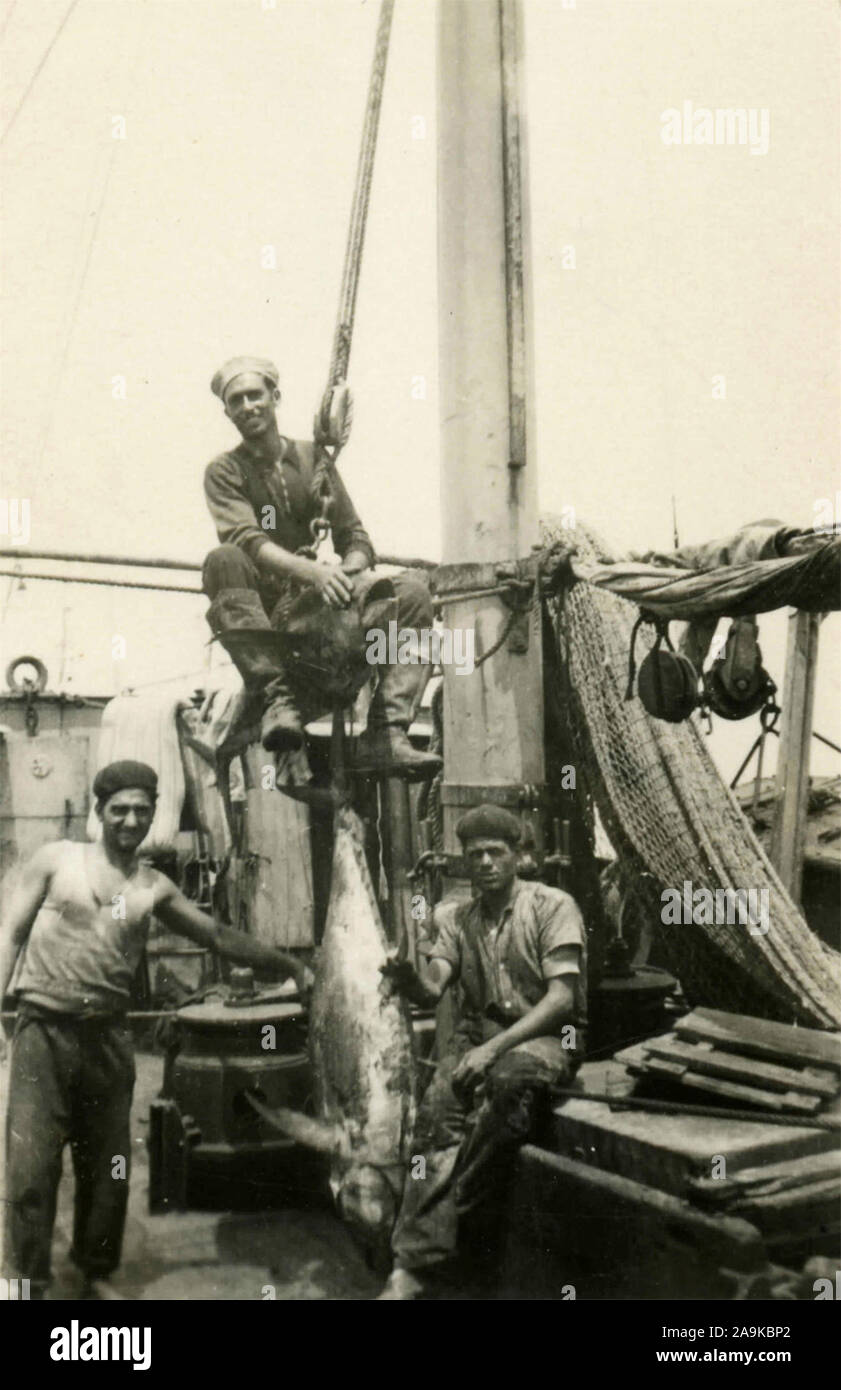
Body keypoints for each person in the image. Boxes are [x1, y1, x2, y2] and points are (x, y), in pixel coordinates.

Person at [0, 760, 313, 1300]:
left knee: (110, 1170)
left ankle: (94, 1272)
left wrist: (290, 966)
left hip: (108, 1039)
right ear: (99, 811)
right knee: (30, 1171)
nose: (130, 820)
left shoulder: (153, 888)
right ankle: (23, 1285)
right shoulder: (56, 861)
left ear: (152, 816)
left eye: (141, 810)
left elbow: (218, 936)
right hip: (43, 1034)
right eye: (119, 809)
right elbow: (10, 934)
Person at [377, 804, 588, 1300]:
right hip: (480, 1040)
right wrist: (408, 979)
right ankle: (413, 1263)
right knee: (434, 1114)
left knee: (507, 1086)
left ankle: (461, 1221)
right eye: (475, 855)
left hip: (550, 1036)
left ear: (519, 856)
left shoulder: (552, 906)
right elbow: (434, 987)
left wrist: (493, 1049)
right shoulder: (455, 918)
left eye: (496, 852)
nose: (486, 863)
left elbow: (561, 1001)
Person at [202, 355, 441, 777]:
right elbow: (247, 539)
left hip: (317, 607)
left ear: (275, 397)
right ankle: (276, 699)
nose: (248, 406)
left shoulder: (315, 460)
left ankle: (387, 732)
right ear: (227, 412)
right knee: (223, 560)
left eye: (255, 395)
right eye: (236, 400)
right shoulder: (224, 471)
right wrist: (314, 573)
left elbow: (356, 537)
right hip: (266, 617)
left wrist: (349, 573)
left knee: (413, 594)